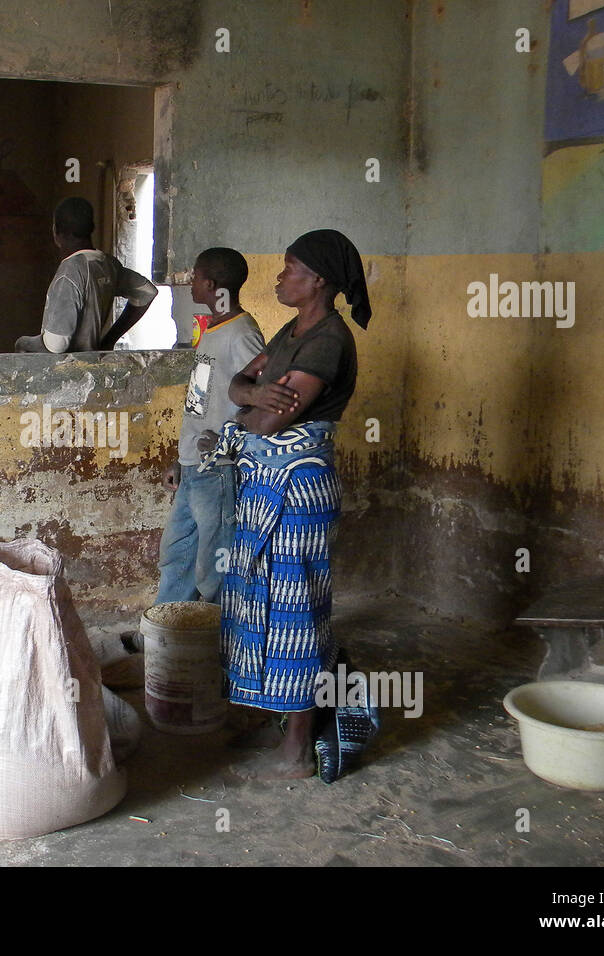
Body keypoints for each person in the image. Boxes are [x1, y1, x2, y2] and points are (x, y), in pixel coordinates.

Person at [197, 228, 372, 780]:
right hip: (264, 482)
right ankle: (264, 710)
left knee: (296, 614)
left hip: (296, 490)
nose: (279, 275)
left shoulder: (327, 340)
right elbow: (239, 388)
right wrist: (249, 398)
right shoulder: (291, 330)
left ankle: (296, 750)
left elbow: (274, 420)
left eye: (290, 267)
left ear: (317, 279)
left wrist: (249, 413)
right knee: (252, 602)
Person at [156, 248, 266, 605]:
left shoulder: (243, 333)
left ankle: (220, 638)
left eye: (195, 277)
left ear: (213, 285)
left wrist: (227, 440)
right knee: (178, 555)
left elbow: (259, 398)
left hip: (218, 467)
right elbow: (201, 403)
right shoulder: (214, 329)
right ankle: (168, 629)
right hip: (193, 466)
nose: (191, 283)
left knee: (215, 565)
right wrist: (181, 458)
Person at [16, 197, 157, 353]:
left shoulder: (70, 271)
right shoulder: (107, 264)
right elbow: (146, 292)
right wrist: (110, 339)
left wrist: (23, 343)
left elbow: (56, 344)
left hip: (66, 373)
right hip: (92, 367)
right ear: (92, 228)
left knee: (22, 344)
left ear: (55, 231)